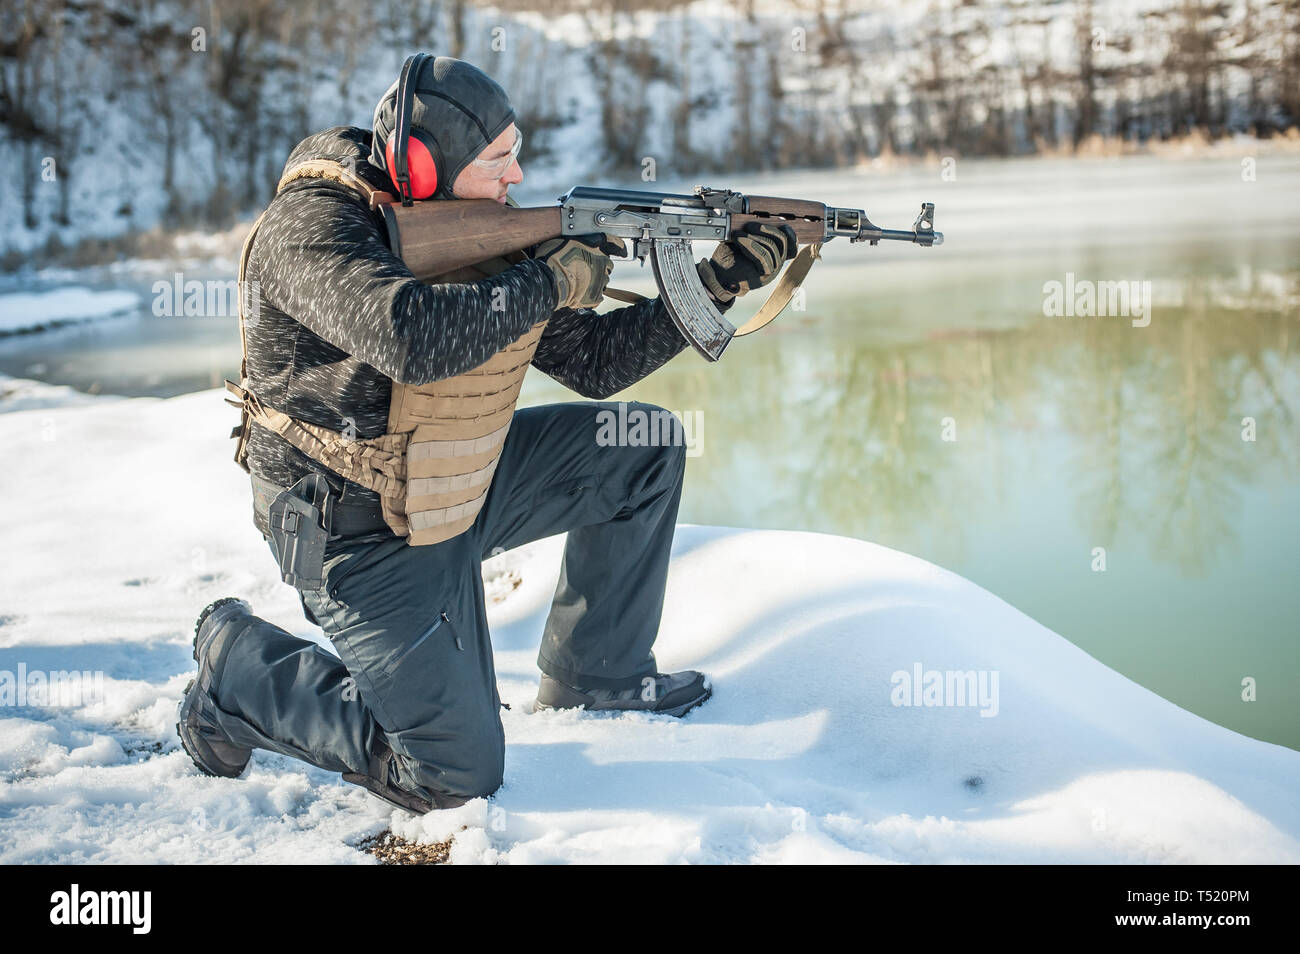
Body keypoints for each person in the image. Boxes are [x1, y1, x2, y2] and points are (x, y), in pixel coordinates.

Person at [177, 54, 797, 814]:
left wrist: (715, 283)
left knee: (641, 446)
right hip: (354, 527)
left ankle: (596, 672)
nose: (516, 175)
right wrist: (548, 279)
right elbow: (408, 335)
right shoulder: (308, 228)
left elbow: (594, 361)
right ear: (421, 162)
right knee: (452, 779)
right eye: (499, 158)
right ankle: (237, 667)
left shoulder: (477, 233)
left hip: (452, 479)